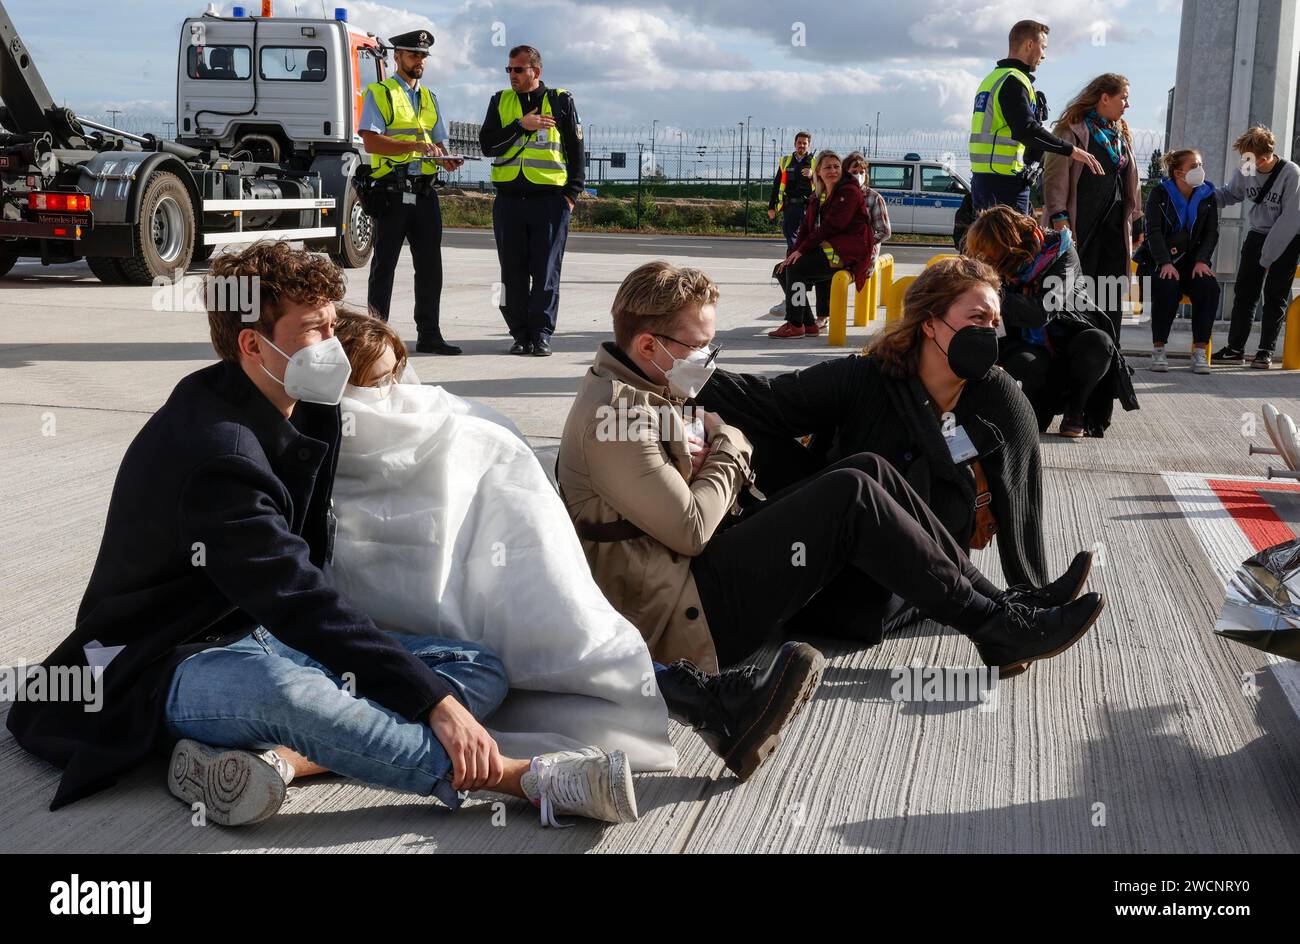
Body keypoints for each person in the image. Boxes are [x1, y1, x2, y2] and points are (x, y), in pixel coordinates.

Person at [6, 242, 637, 830]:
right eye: (314, 331)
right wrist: (433, 709)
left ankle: (280, 760)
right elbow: (298, 599)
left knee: (472, 667)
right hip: (170, 659)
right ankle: (520, 781)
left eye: (332, 324)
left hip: (259, 631)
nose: (331, 344)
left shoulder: (292, 399)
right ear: (253, 344)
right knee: (295, 694)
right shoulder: (215, 454)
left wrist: (428, 690)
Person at [330, 308, 823, 783]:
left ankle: (700, 700)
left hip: (527, 590)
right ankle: (700, 701)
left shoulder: (629, 402)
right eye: (380, 385)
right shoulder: (337, 458)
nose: (401, 394)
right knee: (496, 669)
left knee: (544, 625)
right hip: (444, 626)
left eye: (400, 374)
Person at [559, 260, 1106, 681]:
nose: (710, 360)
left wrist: (1027, 575)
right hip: (690, 617)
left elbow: (1021, 483)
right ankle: (993, 624)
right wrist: (729, 444)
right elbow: (693, 524)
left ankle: (1002, 614)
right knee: (851, 486)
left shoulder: (654, 393)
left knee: (864, 471)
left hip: (703, 585)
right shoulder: (619, 414)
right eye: (702, 347)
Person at [696, 255, 1056, 595]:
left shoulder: (999, 395)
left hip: (928, 570)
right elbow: (769, 401)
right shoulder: (867, 375)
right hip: (841, 547)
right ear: (930, 322)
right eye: (977, 318)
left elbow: (1021, 499)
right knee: (761, 435)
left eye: (994, 323)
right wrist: (682, 370)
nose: (988, 332)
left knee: (889, 477)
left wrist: (1032, 596)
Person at [964, 205, 1139, 438]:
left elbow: (1041, 311)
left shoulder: (1061, 252)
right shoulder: (998, 264)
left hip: (1070, 340)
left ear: (1009, 245)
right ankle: (1032, 407)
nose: (984, 259)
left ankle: (1075, 411)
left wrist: (995, 294)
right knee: (1030, 404)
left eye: (988, 252)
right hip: (1031, 350)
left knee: (1099, 342)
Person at [359, 29, 464, 356]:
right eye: (413, 54)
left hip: (424, 194)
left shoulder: (430, 98)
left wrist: (447, 159)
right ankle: (376, 337)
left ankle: (429, 334)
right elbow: (371, 140)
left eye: (423, 56)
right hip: (392, 192)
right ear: (398, 57)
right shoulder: (380, 92)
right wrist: (414, 145)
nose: (419, 61)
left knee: (431, 267)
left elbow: (437, 143)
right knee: (384, 265)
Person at [479, 45, 585, 357]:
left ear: (535, 72)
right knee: (510, 273)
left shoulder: (561, 100)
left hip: (549, 201)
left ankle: (541, 335)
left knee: (546, 272)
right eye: (509, 69)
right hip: (509, 201)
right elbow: (488, 145)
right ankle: (519, 334)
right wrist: (520, 127)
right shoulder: (499, 101)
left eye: (518, 70)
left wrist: (571, 195)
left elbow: (576, 150)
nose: (512, 75)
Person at [968, 19, 1103, 214]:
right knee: (1014, 244)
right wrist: (1071, 150)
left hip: (984, 180)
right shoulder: (1013, 81)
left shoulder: (991, 79)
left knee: (987, 244)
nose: (1044, 55)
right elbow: (1026, 130)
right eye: (1043, 47)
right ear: (1030, 45)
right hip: (1004, 183)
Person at [1043, 73, 1142, 336]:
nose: (1127, 105)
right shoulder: (1071, 130)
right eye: (1124, 98)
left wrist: (1138, 219)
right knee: (1079, 289)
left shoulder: (1120, 135)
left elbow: (1133, 182)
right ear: (1105, 98)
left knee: (1111, 290)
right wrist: (1060, 219)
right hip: (1082, 223)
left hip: (1115, 226)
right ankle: (1080, 349)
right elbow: (1054, 179)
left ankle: (1111, 351)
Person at [1213, 126, 1300, 369]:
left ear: (1264, 156)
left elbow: (1290, 219)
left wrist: (1268, 257)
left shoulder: (1290, 173)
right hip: (1257, 234)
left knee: (1275, 295)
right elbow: (1232, 193)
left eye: (1249, 157)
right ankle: (1235, 349)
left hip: (1287, 238)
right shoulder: (1248, 166)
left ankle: (1265, 351)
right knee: (1244, 294)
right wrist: (1205, 195)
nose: (1245, 162)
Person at [769, 151, 874, 339]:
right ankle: (808, 324)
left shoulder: (848, 191)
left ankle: (795, 324)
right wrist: (794, 253)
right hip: (829, 249)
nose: (833, 171)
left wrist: (802, 251)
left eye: (836, 166)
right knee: (782, 269)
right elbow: (805, 228)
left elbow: (833, 226)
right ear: (818, 171)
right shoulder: (818, 194)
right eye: (828, 167)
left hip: (848, 253)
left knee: (795, 269)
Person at [1136, 148, 1220, 374]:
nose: (1199, 170)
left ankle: (1200, 352)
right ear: (1177, 172)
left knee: (1209, 288)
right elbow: (1153, 232)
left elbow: (1212, 233)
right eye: (1193, 166)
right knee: (1167, 286)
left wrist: (1203, 260)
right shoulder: (1160, 194)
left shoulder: (1207, 195)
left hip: (1193, 263)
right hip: (1159, 261)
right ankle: (1159, 350)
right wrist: (1164, 262)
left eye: (1200, 165)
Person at [766, 131, 816, 317]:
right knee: (792, 244)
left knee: (806, 244)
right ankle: (792, 283)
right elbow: (777, 184)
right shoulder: (785, 162)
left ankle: (798, 276)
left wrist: (812, 175)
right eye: (799, 143)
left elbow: (824, 185)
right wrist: (772, 207)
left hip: (809, 208)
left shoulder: (815, 162)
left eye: (805, 143)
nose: (802, 146)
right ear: (795, 144)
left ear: (809, 145)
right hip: (791, 208)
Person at [843, 151, 891, 277]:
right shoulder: (839, 195)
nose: (858, 175)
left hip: (865, 252)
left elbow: (885, 232)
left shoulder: (874, 198)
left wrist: (863, 243)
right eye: (854, 172)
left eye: (861, 172)